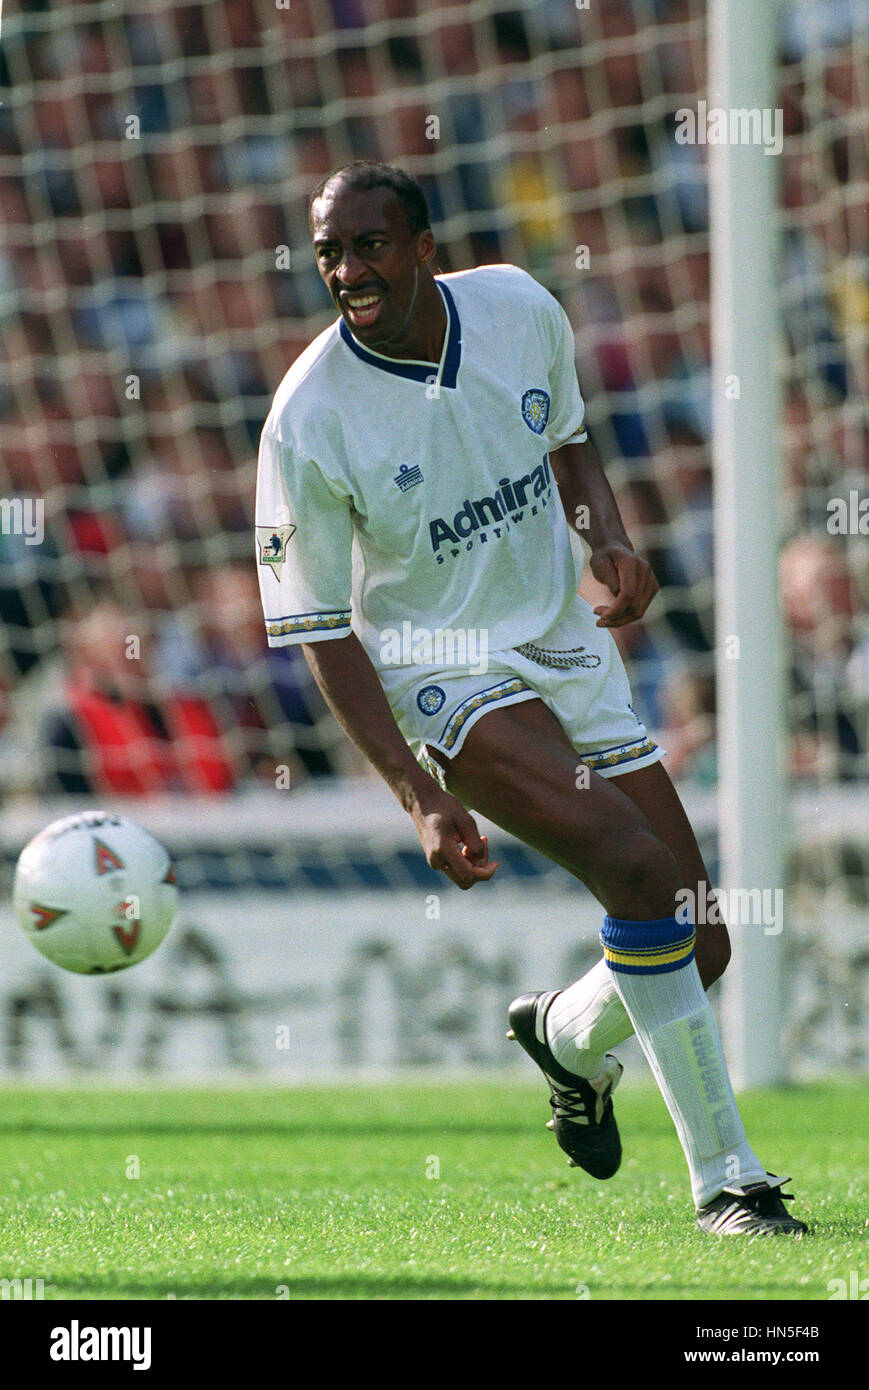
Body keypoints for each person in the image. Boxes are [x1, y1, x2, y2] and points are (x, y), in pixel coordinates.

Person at [255, 161, 805, 1236]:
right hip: (441, 672)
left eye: (367, 244)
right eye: (328, 251)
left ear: (423, 246)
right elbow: (316, 628)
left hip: (562, 644)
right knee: (636, 871)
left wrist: (606, 540)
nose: (345, 269)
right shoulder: (307, 417)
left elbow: (567, 443)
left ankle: (562, 1032)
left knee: (697, 940)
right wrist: (416, 795)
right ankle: (729, 1184)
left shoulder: (515, 308)